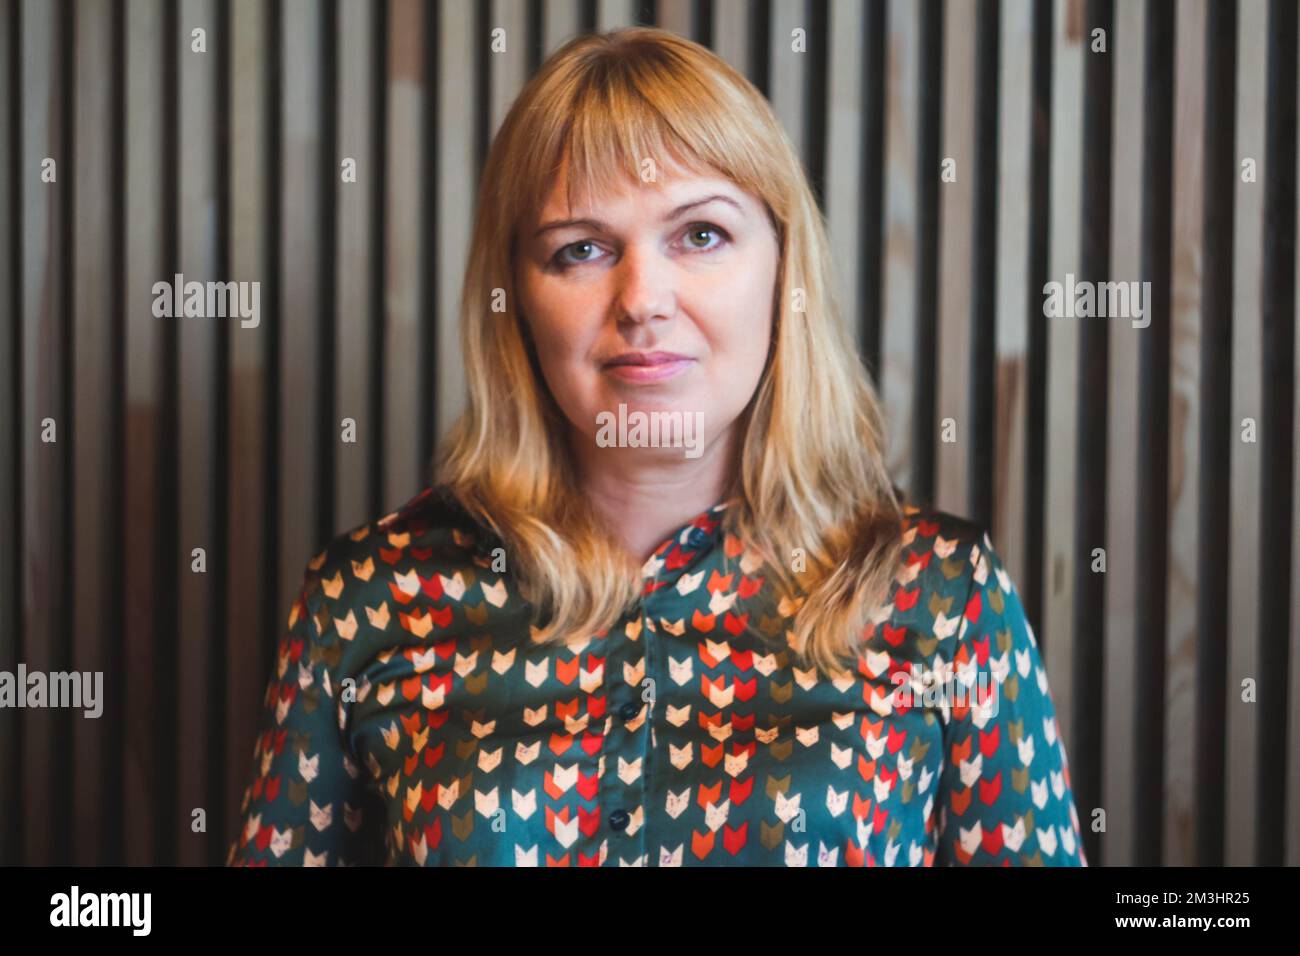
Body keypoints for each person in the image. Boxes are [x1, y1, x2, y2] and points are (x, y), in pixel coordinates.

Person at [227, 26, 1086, 867]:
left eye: (700, 235)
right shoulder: (366, 599)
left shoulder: (944, 599)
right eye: (581, 250)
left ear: (783, 267)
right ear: (514, 297)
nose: (642, 300)